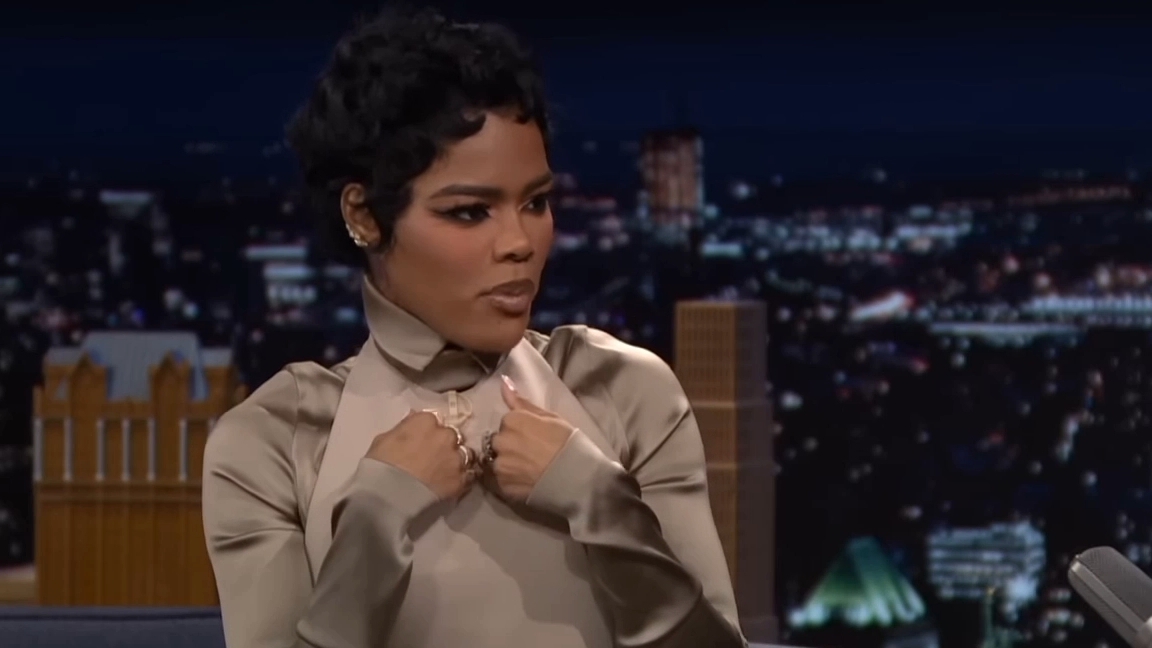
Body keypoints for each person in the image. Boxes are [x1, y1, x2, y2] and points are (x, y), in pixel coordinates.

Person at [201, 6, 747, 648]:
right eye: (469, 212)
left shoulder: (624, 391)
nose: (520, 242)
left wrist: (601, 501)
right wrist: (374, 520)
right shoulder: (275, 440)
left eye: (536, 202)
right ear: (365, 216)